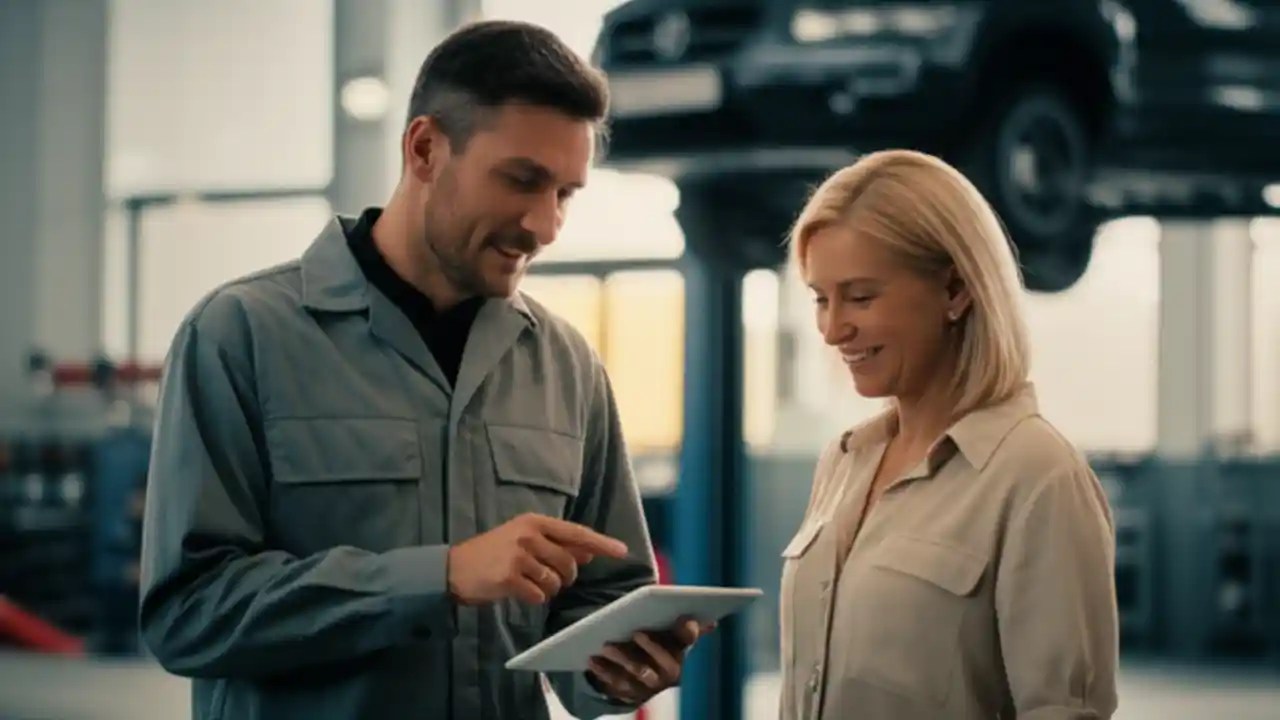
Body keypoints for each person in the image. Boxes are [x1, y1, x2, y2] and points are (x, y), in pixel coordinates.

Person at [138, 20, 706, 720]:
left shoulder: (568, 368)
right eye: (522, 180)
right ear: (426, 149)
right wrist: (439, 577)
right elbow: (187, 614)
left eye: (565, 193)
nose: (545, 225)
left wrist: (620, 670)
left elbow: (594, 610)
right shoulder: (239, 335)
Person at [778, 149, 1118, 719]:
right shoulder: (844, 463)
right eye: (820, 299)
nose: (834, 329)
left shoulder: (1038, 477)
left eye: (861, 297)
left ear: (956, 290)